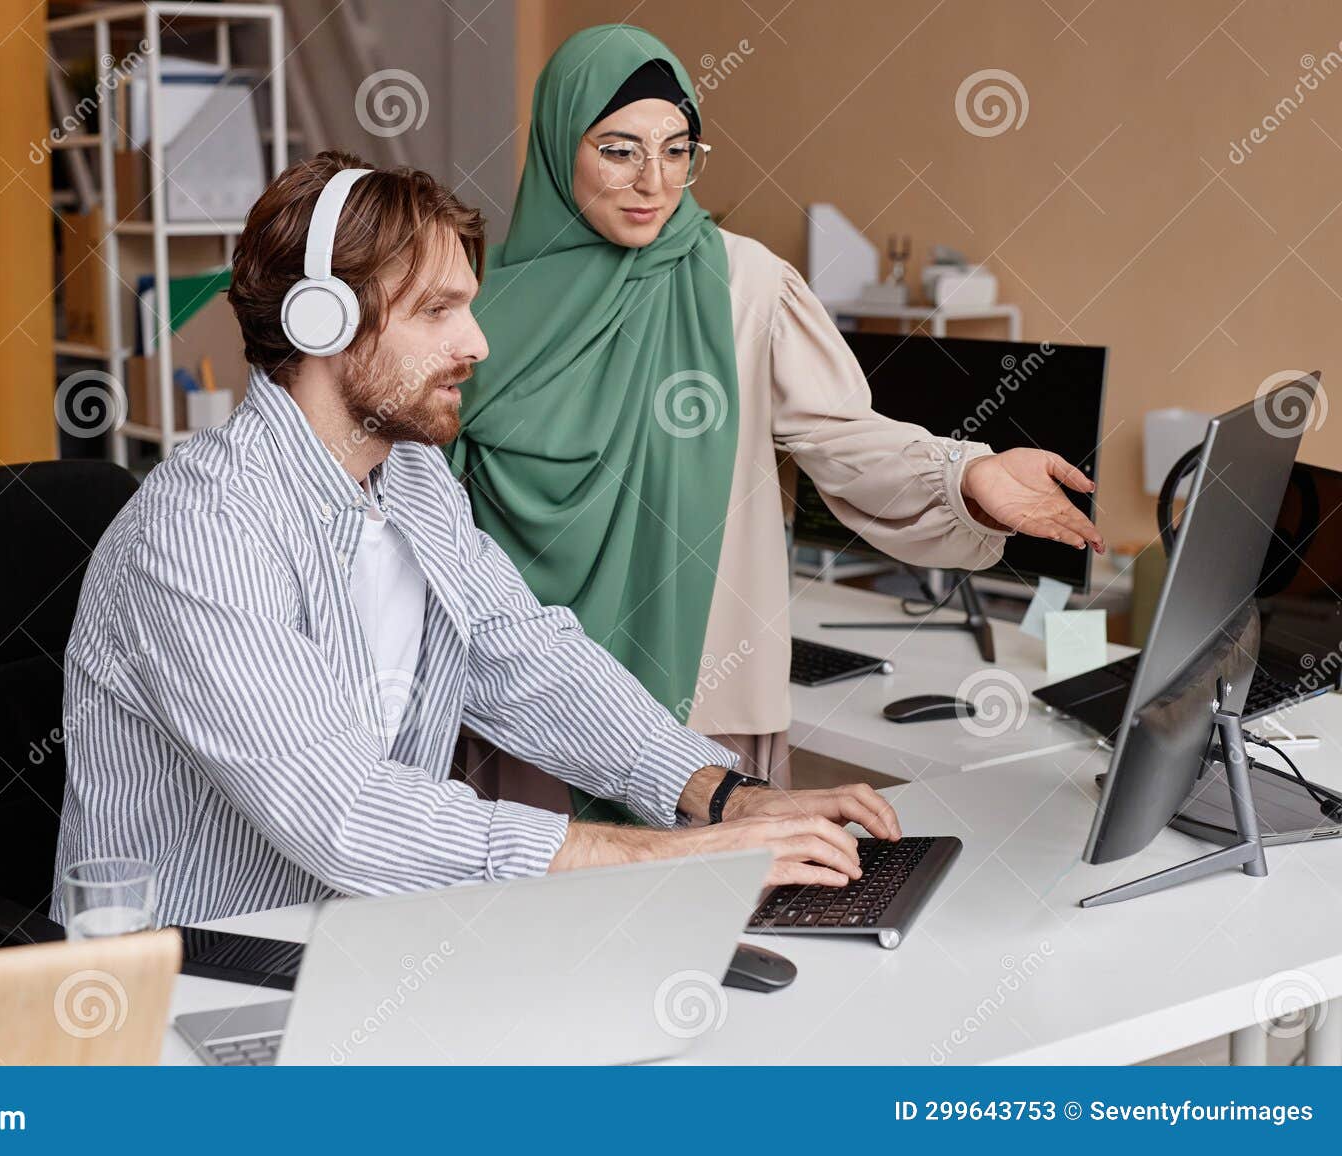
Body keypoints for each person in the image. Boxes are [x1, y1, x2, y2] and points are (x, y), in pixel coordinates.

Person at [49, 151, 909, 929]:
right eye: (438, 311)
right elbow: (344, 814)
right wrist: (672, 859)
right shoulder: (202, 528)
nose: (478, 343)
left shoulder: (412, 480)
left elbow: (526, 660)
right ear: (319, 322)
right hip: (191, 974)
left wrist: (723, 797)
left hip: (363, 946)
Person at [448, 26, 1103, 813]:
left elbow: (841, 437)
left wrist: (967, 473)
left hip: (705, 701)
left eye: (678, 148)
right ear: (561, 147)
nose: (653, 180)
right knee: (539, 931)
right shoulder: (479, 307)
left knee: (712, 925)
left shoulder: (742, 283)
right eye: (619, 150)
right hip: (527, 706)